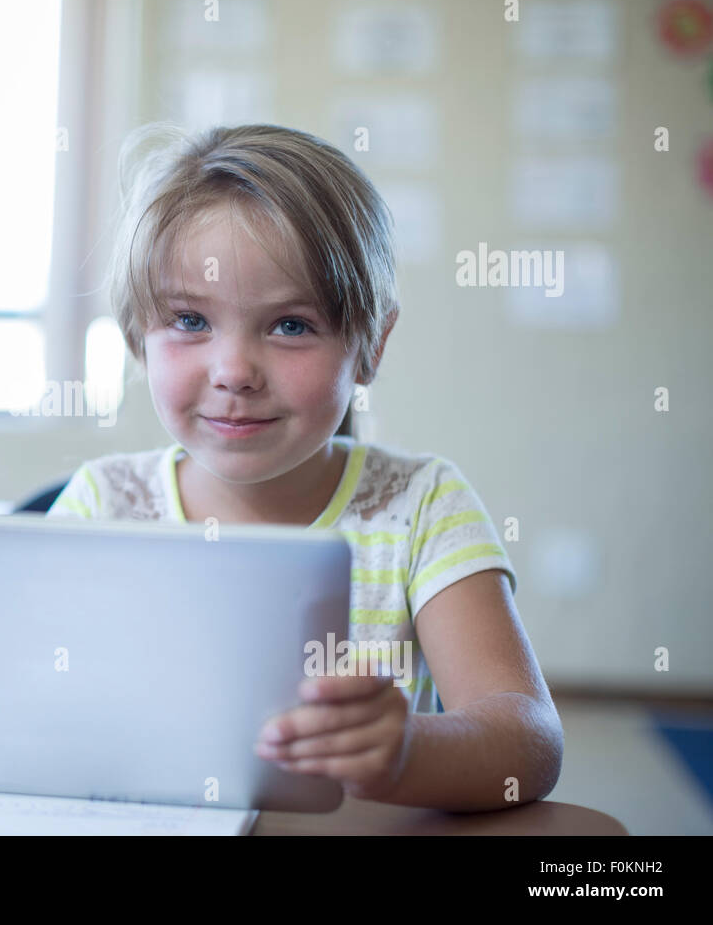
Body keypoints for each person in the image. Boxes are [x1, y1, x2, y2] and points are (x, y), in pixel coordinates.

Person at [46, 122, 562, 812]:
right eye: (191, 321)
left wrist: (408, 752)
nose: (233, 371)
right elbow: (29, 704)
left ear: (371, 345)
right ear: (140, 338)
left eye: (291, 324)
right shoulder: (99, 505)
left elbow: (526, 738)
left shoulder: (419, 504)